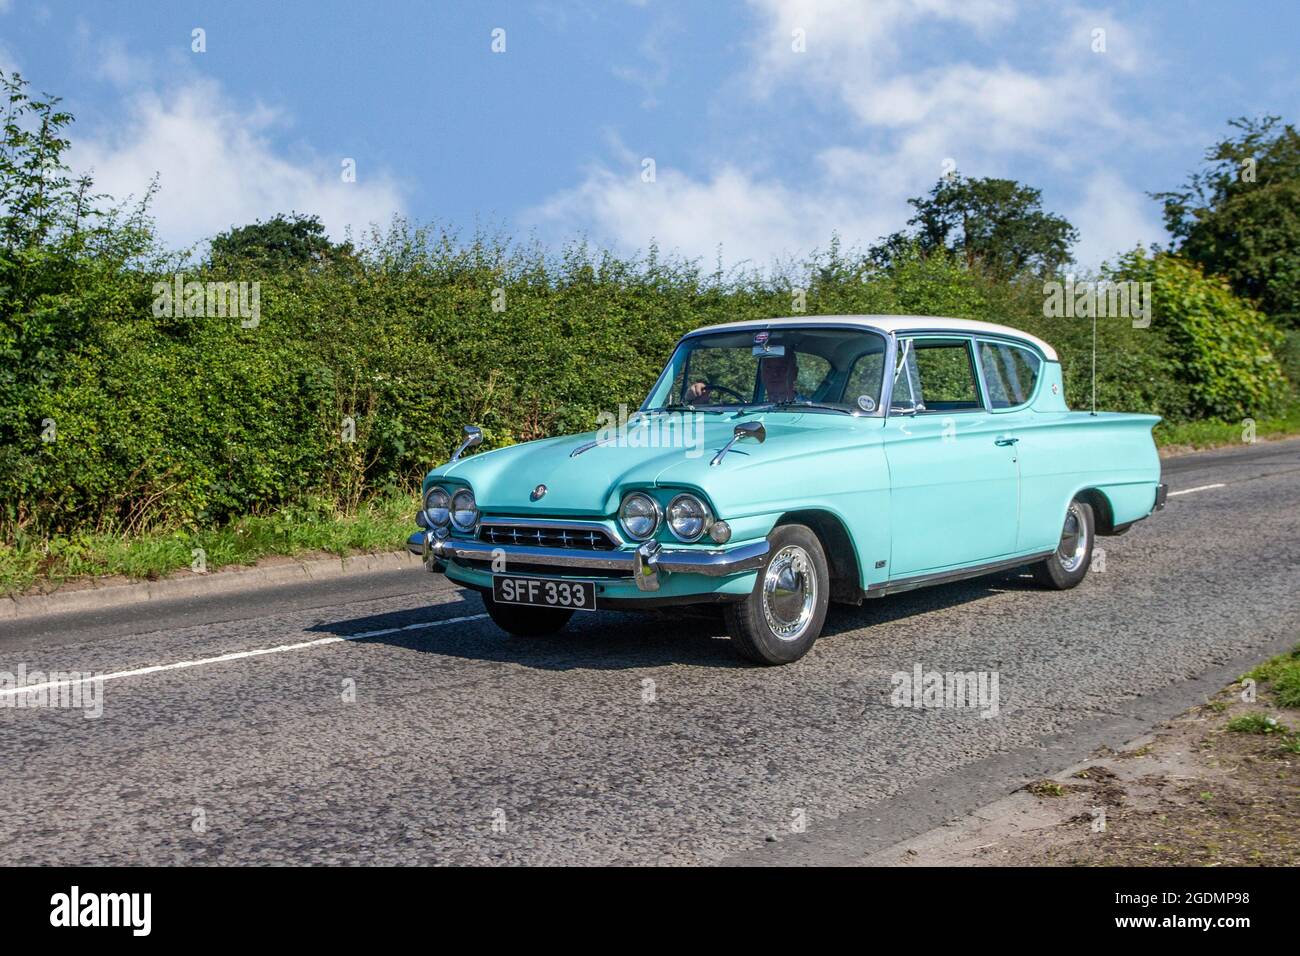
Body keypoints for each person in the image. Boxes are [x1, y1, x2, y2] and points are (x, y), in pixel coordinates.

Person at [686, 352, 801, 404]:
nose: (774, 374)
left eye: (782, 368)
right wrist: (699, 398)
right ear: (762, 374)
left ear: (795, 373)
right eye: (768, 368)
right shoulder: (750, 409)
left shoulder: (810, 409)